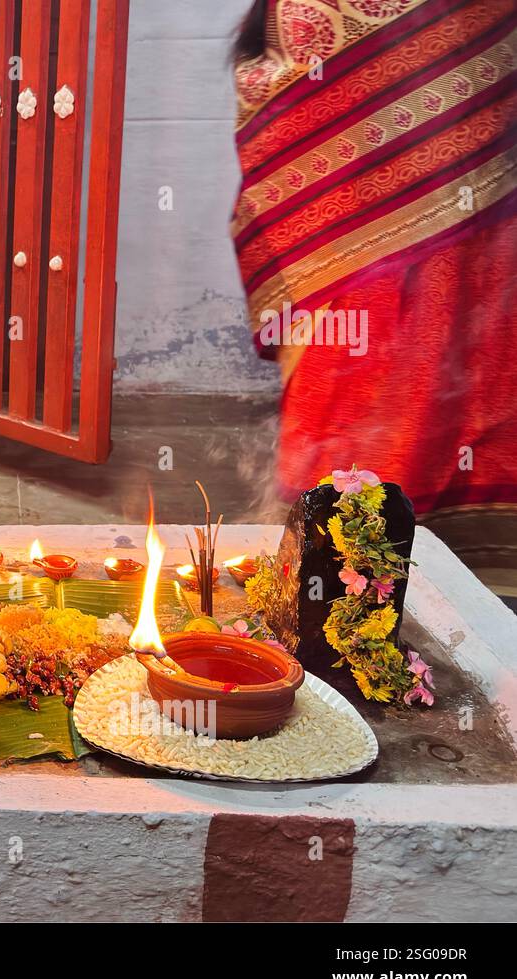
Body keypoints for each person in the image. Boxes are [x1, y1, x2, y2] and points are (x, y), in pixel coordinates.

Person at [231, 0, 517, 569]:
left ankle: (357, 567)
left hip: (474, 225)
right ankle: (343, 571)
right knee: (366, 391)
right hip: (348, 244)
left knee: (457, 372)